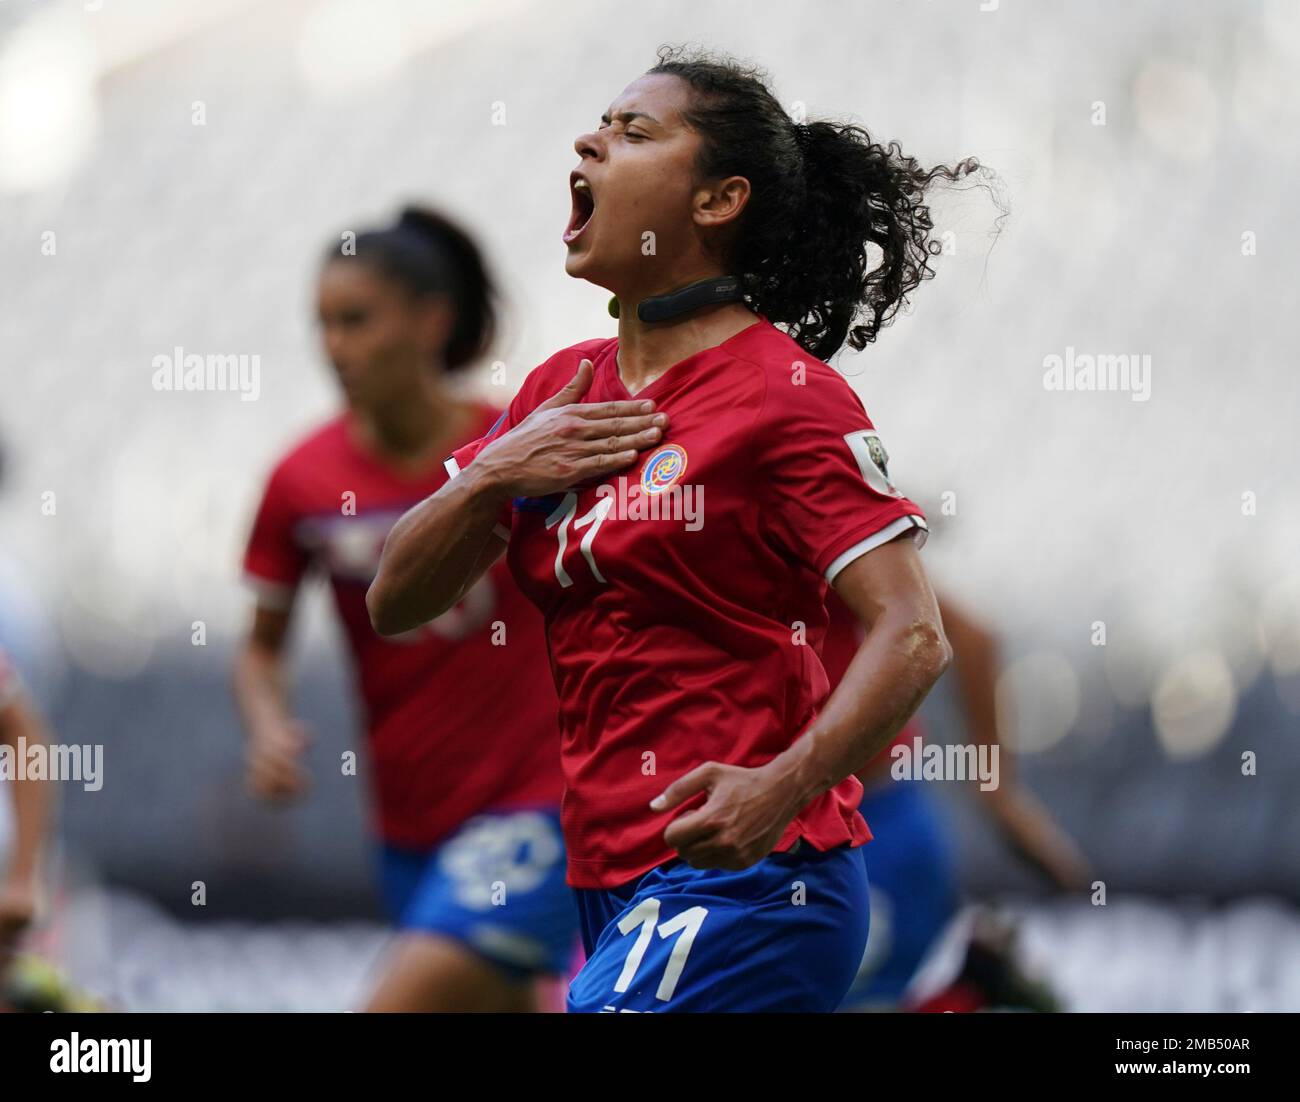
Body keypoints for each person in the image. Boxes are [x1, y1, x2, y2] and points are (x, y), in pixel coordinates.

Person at [368, 46, 978, 1012]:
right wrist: (492, 474)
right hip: (607, 873)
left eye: (633, 132)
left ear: (716, 201)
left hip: (759, 876)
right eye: (599, 126)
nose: (590, 141)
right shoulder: (555, 393)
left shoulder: (786, 396)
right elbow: (395, 598)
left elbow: (916, 632)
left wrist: (783, 785)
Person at [234, 208, 576, 1012]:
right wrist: (266, 728)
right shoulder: (300, 481)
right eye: (322, 324)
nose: (334, 345)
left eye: (355, 319)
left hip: (541, 799)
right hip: (410, 820)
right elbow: (259, 649)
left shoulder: (517, 445)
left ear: (431, 320)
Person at [821, 590, 1091, 1009]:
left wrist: (999, 792)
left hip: (869, 824)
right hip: (787, 825)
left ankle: (973, 993)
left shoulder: (793, 528)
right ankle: (975, 986)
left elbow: (965, 634)